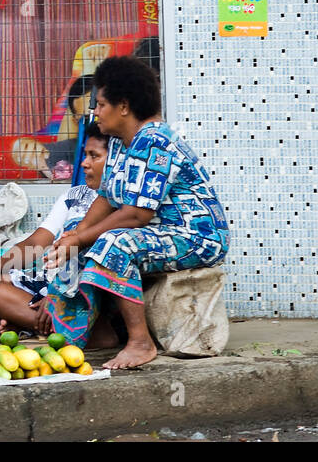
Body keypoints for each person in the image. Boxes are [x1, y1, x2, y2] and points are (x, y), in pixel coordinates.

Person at [46, 55, 228, 369]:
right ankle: (97, 330)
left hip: (195, 237)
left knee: (114, 242)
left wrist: (82, 239)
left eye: (101, 104)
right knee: (77, 226)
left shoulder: (154, 141)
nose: (95, 112)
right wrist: (74, 234)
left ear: (124, 107)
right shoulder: (119, 141)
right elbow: (106, 198)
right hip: (156, 232)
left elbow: (136, 215)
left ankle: (140, 342)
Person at [0, 123, 110, 337]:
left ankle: (41, 323)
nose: (84, 163)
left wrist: (56, 296)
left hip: (85, 289)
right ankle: (58, 326)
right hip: (53, 283)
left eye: (94, 156)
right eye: (85, 155)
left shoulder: (122, 201)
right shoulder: (74, 196)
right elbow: (35, 244)